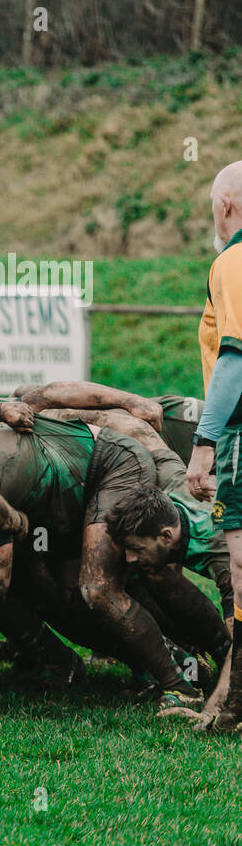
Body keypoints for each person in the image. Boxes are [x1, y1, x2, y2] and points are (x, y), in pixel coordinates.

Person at [184, 159, 242, 733]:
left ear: (224, 206)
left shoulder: (233, 261)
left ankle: (233, 706)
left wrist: (205, 443)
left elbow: (235, 356)